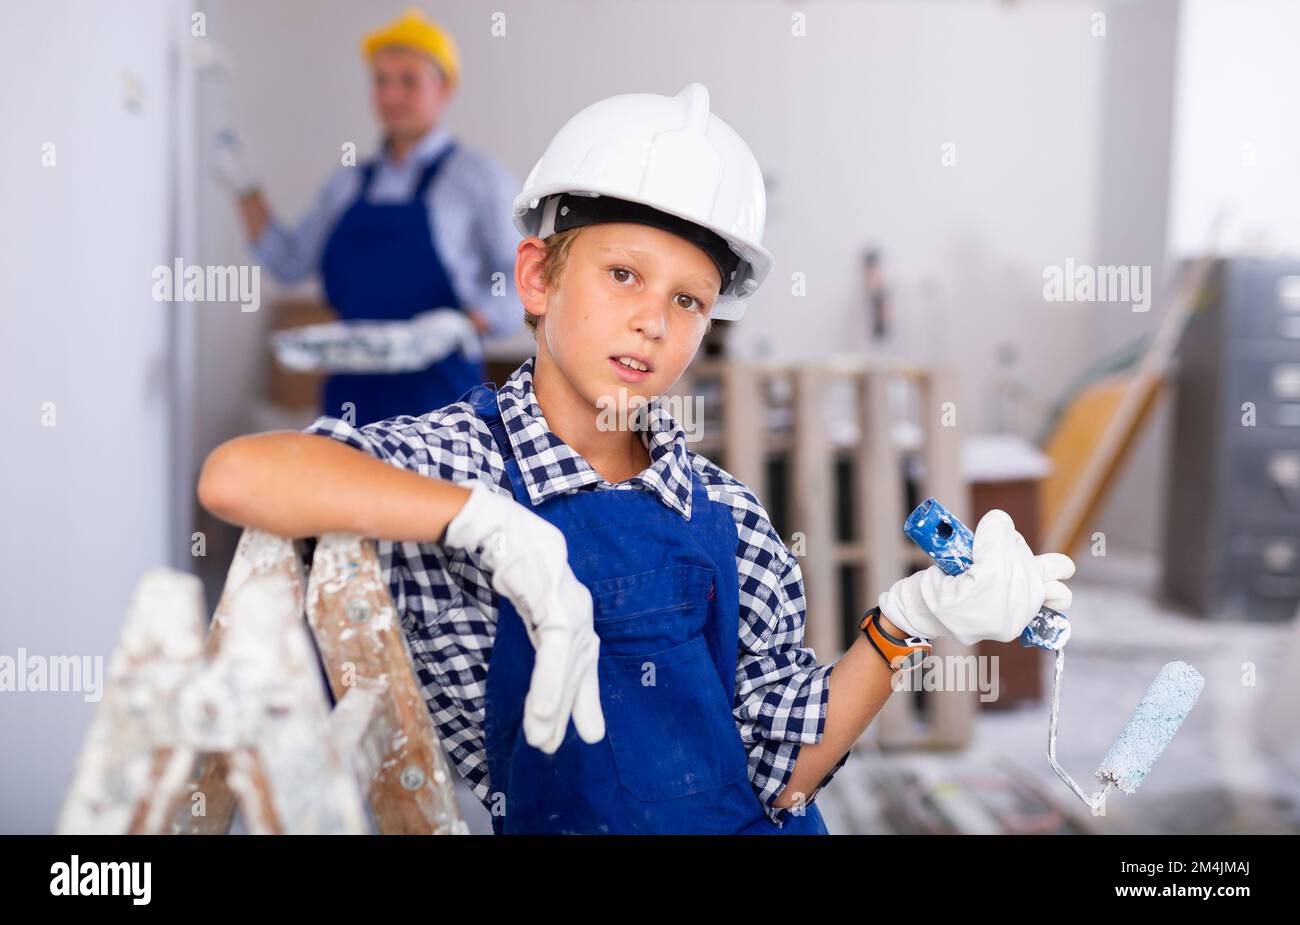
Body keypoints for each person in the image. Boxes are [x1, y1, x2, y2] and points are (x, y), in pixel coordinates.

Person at [198, 83, 1076, 834]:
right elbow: (238, 474)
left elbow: (786, 779)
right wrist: (482, 521)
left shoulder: (728, 517)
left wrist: (908, 620)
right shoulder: (459, 464)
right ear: (537, 277)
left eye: (688, 298)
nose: (655, 320)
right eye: (624, 274)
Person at [214, 8, 522, 424]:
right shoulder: (346, 183)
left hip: (443, 401)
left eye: (408, 81)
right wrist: (245, 188)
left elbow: (522, 278)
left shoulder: (479, 179)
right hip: (351, 402)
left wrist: (464, 324)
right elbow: (288, 263)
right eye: (381, 82)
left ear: (444, 88)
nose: (392, 96)